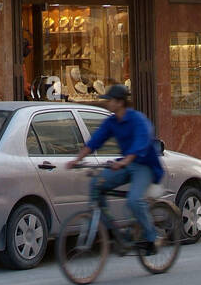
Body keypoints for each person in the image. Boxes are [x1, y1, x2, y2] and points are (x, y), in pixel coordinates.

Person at [64, 84, 165, 254]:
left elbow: (142, 141)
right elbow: (95, 141)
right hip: (125, 164)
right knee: (97, 184)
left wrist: (126, 161)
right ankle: (112, 229)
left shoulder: (137, 119)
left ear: (119, 102)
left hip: (144, 165)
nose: (106, 104)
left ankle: (152, 236)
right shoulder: (112, 122)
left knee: (134, 200)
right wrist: (77, 160)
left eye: (109, 100)